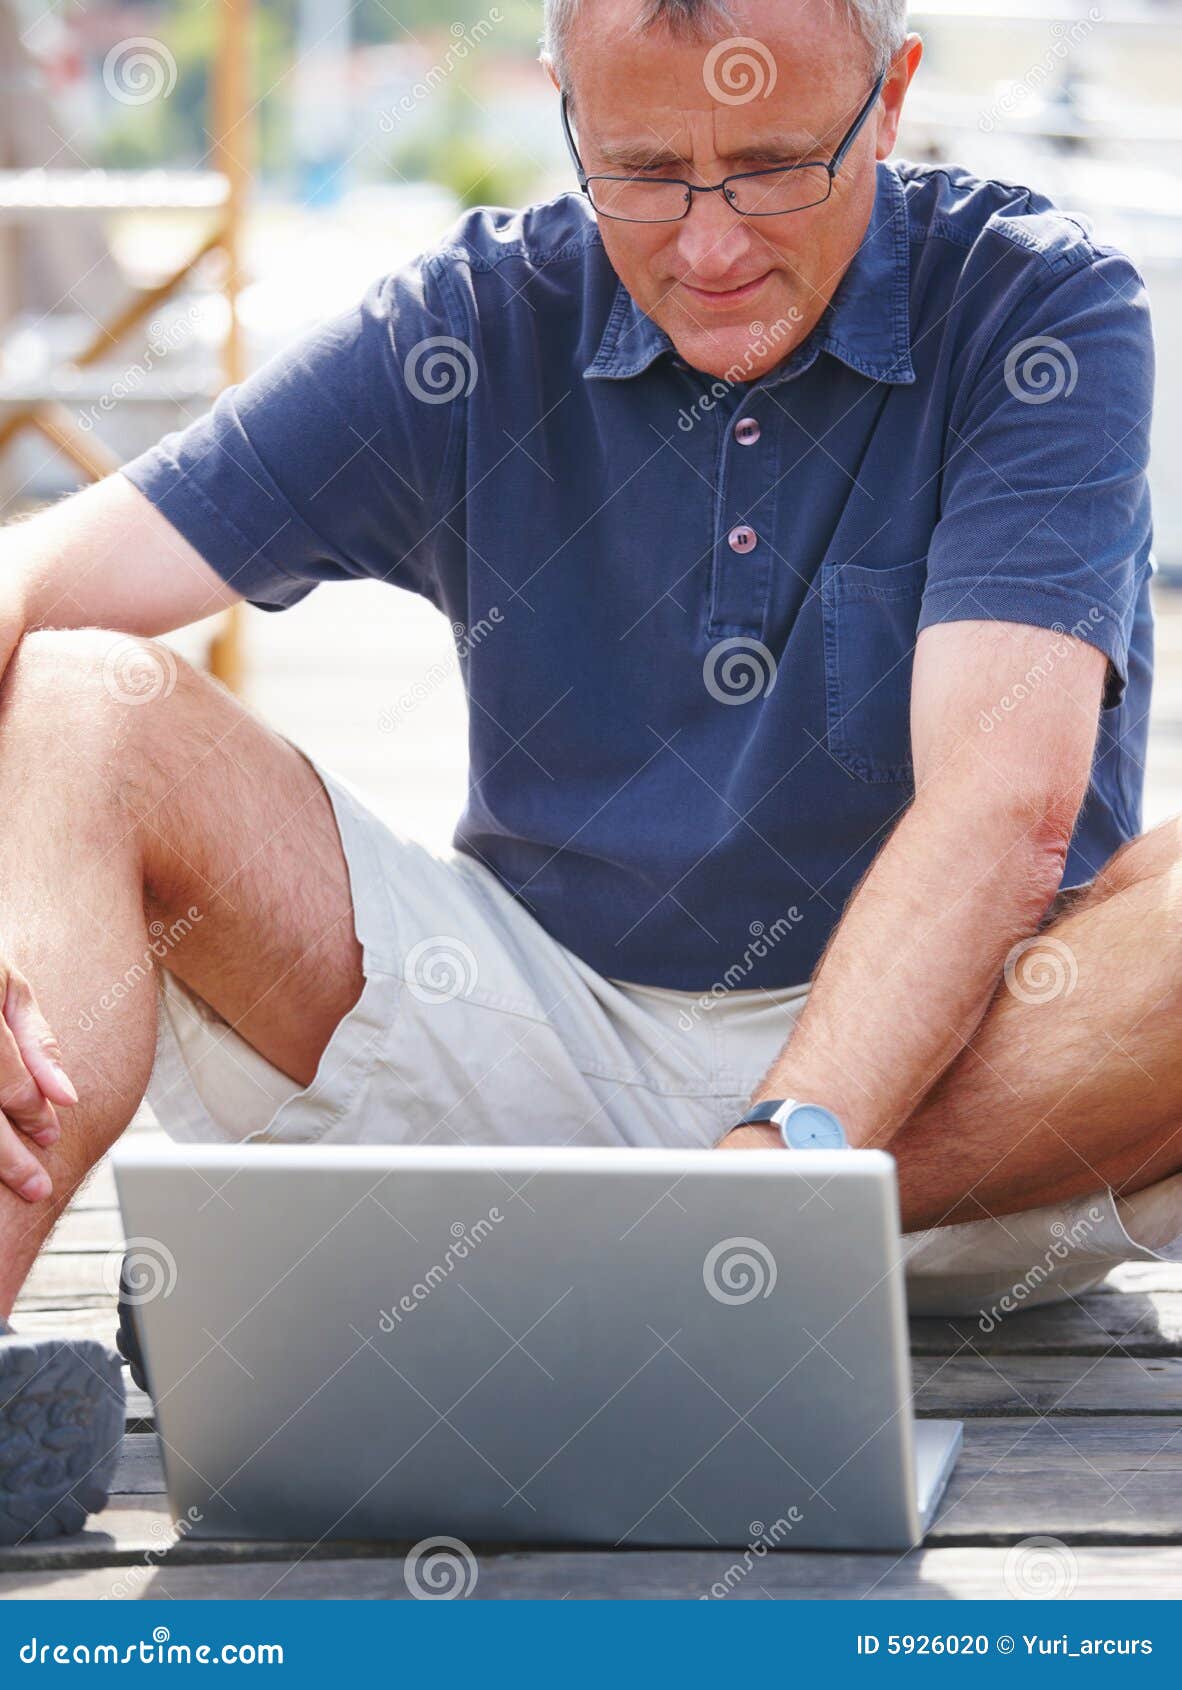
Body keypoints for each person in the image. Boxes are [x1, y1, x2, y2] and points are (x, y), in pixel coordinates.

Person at [0, 0, 1172, 1544]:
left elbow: (1003, 809)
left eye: (767, 166)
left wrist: (786, 1156)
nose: (705, 246)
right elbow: (37, 581)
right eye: (637, 170)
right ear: (563, 109)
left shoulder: (1040, 308)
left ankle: (576, 1255)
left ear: (888, 99)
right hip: (529, 1052)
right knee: (83, 702)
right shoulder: (472, 317)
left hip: (943, 1112)